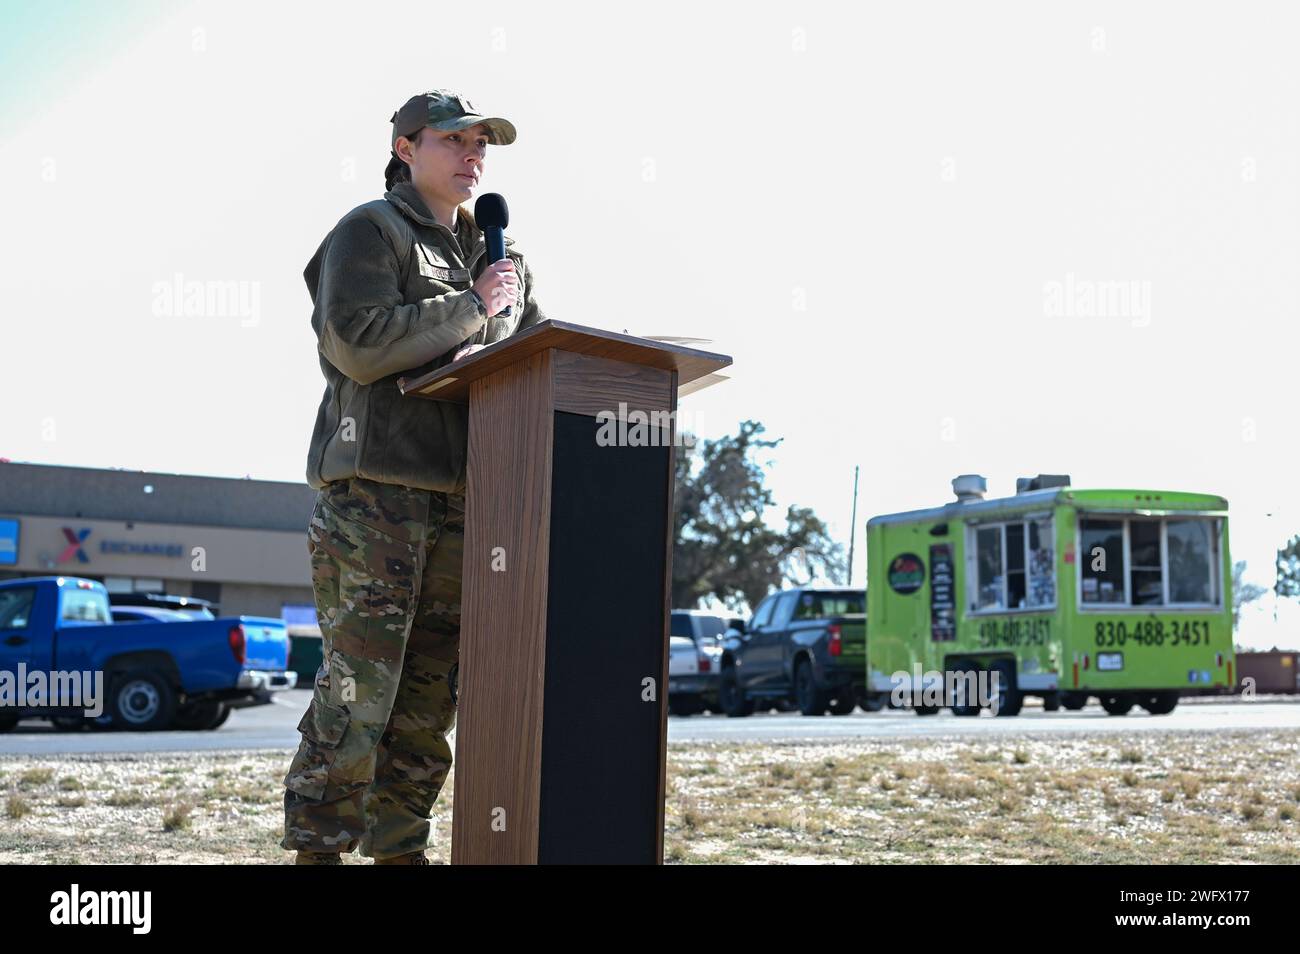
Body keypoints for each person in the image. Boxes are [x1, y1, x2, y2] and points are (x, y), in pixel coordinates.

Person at [281, 89, 547, 865]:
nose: (474, 156)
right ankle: (321, 851)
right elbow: (357, 343)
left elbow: (533, 355)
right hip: (375, 496)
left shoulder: (500, 259)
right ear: (406, 148)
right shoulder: (371, 231)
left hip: (465, 501)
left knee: (428, 701)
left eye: (483, 145)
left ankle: (401, 852)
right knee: (362, 690)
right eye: (456, 140)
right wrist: (471, 309)